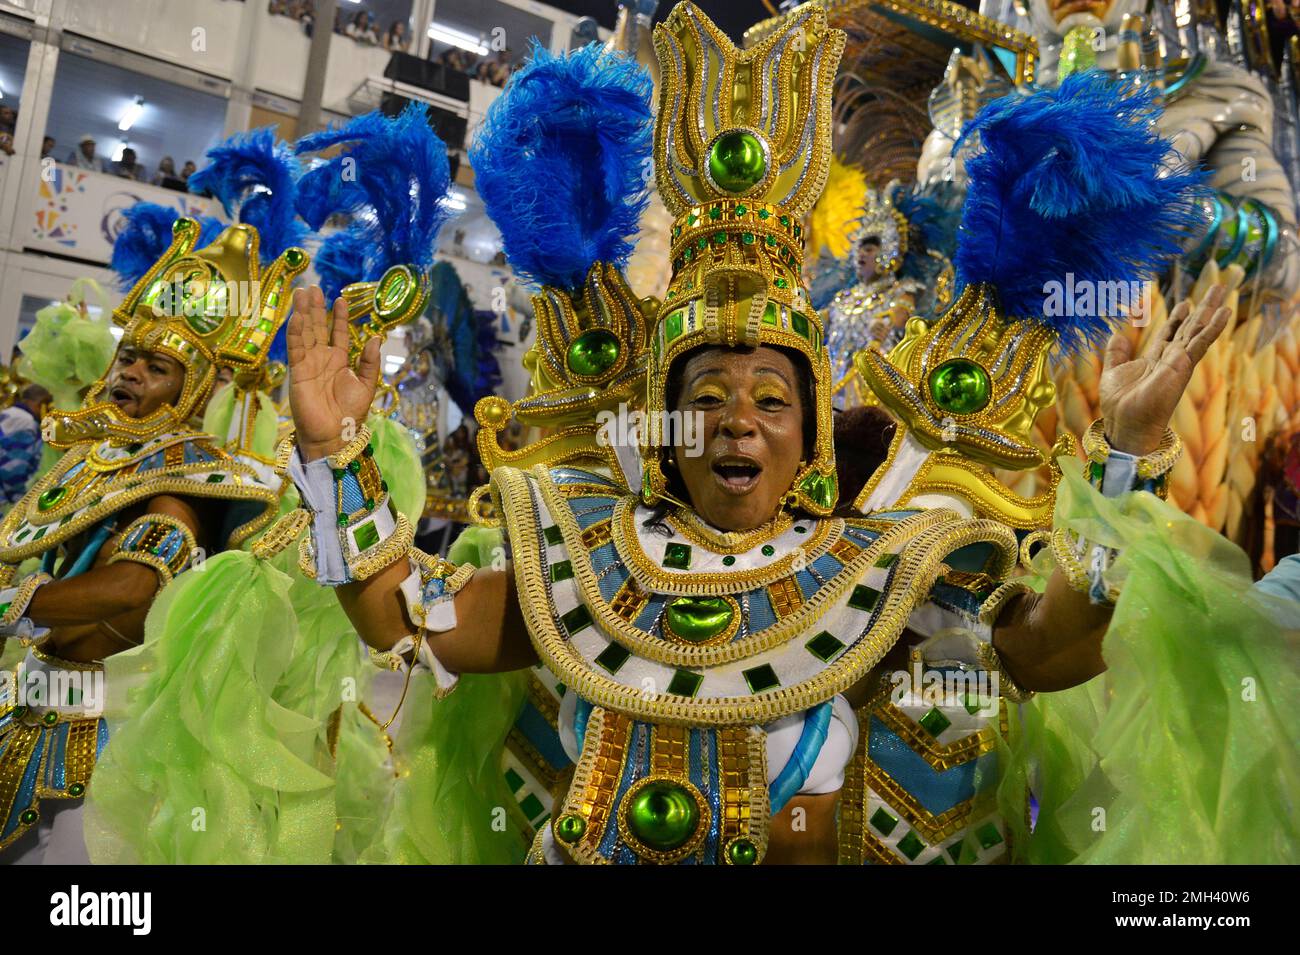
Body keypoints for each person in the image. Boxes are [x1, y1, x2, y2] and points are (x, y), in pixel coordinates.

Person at [277, 7, 1253, 866]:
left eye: (770, 400)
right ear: (667, 432)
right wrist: (335, 462)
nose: (737, 419)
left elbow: (1047, 653)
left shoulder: (880, 577)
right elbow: (402, 616)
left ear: (810, 439)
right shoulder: (577, 562)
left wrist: (1124, 469)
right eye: (706, 396)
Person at [0, 131, 310, 861]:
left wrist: (15, 604)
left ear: (194, 389)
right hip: (38, 705)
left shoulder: (180, 484)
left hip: (106, 739)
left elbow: (132, 587)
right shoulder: (99, 459)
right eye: (129, 356)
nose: (131, 373)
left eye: (158, 368)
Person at [0, 383, 52, 507]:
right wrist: (19, 501)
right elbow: (14, 465)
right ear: (41, 404)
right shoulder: (25, 422)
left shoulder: (8, 413)